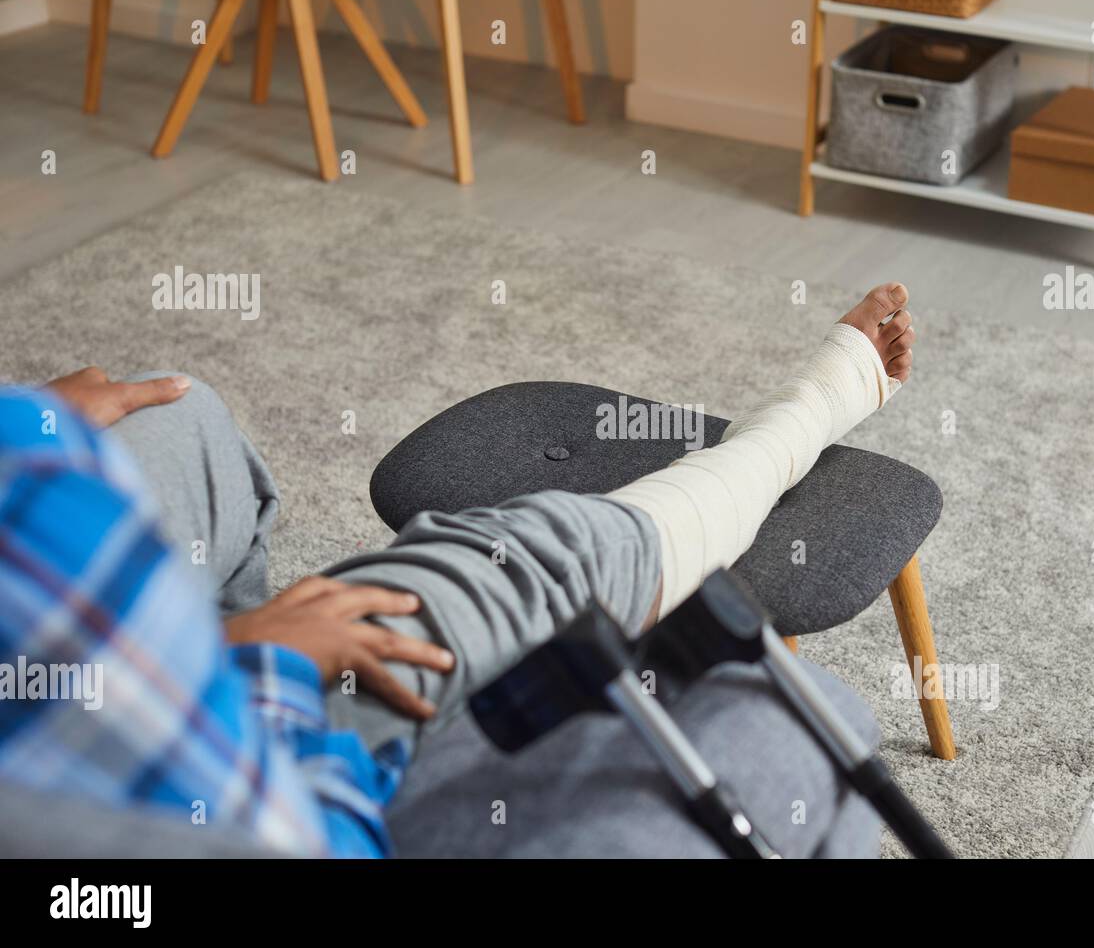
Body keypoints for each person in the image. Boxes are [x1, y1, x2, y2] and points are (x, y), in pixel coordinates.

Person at [0, 284, 915, 858]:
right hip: (242, 778)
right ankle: (790, 432)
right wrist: (262, 676)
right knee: (530, 568)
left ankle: (215, 651)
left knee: (176, 414)